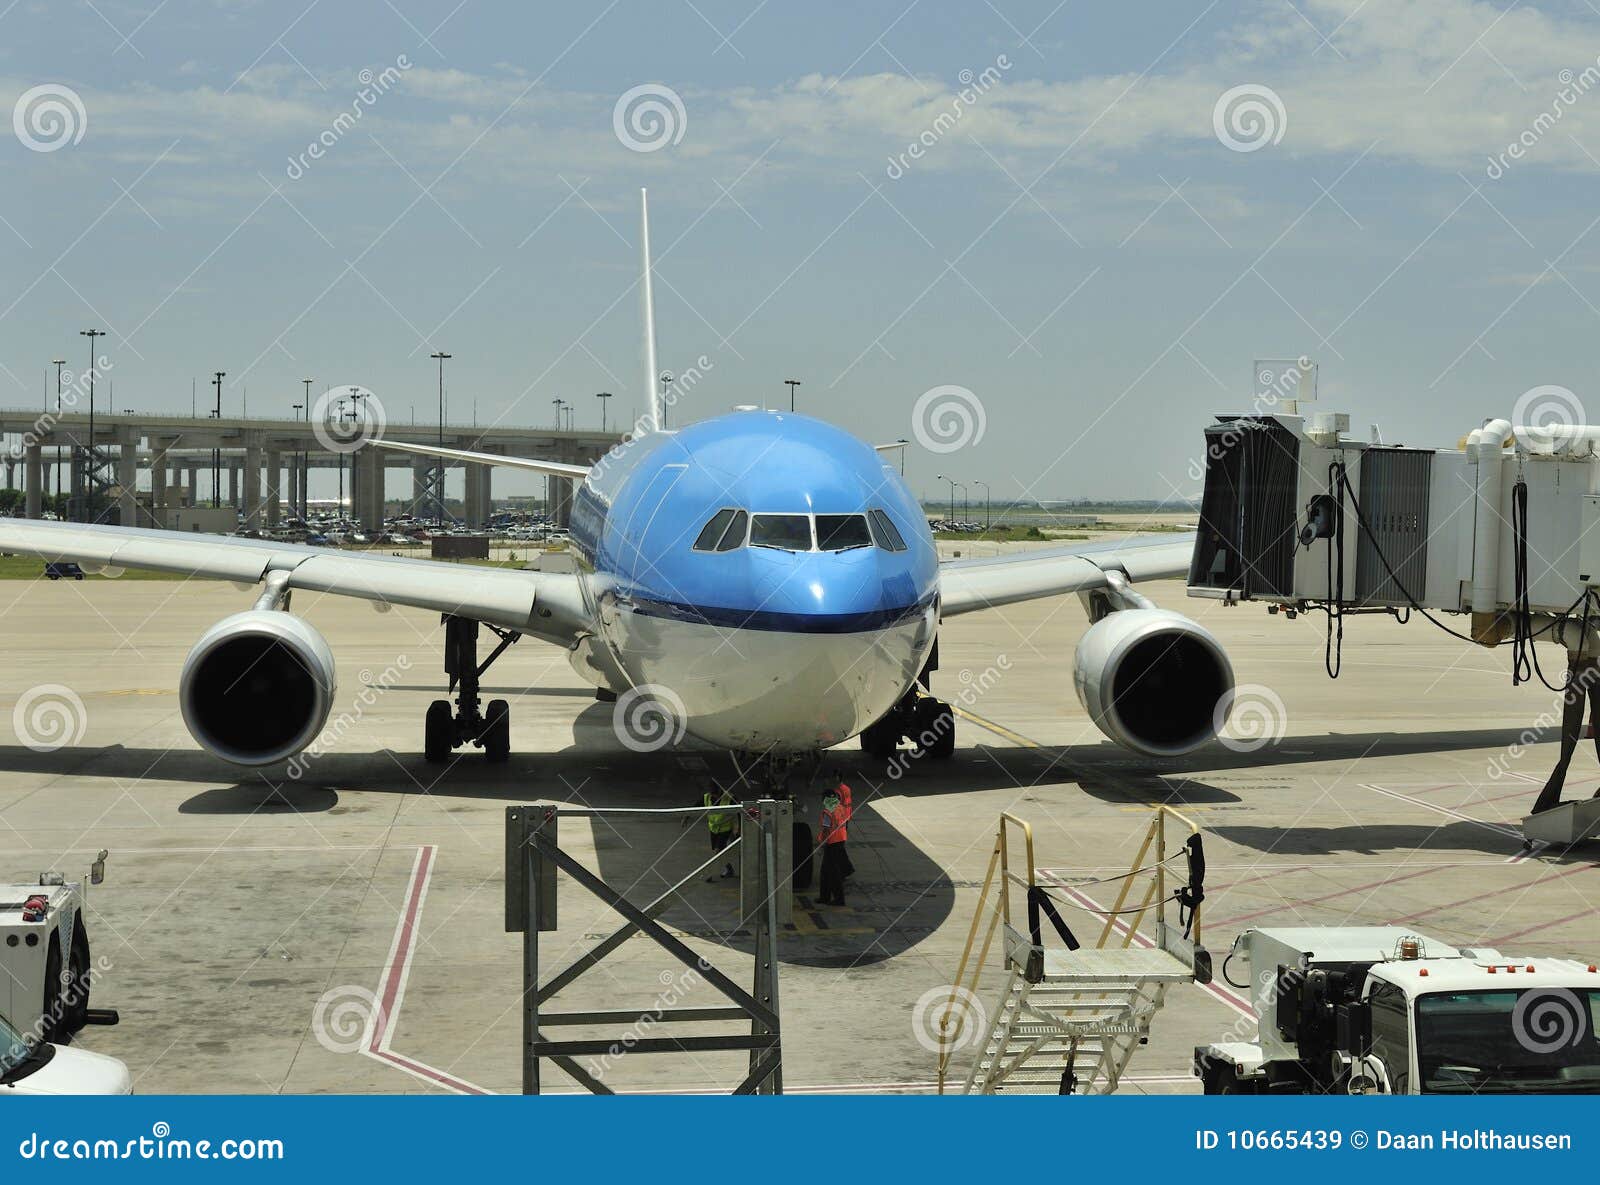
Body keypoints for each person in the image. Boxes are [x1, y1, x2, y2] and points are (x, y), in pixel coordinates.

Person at [686, 785, 738, 881]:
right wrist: (686, 817)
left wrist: (737, 829)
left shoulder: (730, 798)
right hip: (713, 828)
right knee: (720, 851)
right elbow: (695, 806)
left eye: (718, 795)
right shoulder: (706, 797)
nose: (717, 797)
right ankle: (729, 869)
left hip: (725, 828)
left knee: (718, 851)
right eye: (714, 795)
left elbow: (739, 811)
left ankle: (710, 874)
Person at [818, 789, 849, 906]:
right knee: (825, 871)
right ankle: (824, 897)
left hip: (832, 843)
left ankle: (839, 899)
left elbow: (826, 829)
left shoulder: (827, 812)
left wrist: (822, 843)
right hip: (840, 841)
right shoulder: (841, 808)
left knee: (833, 873)